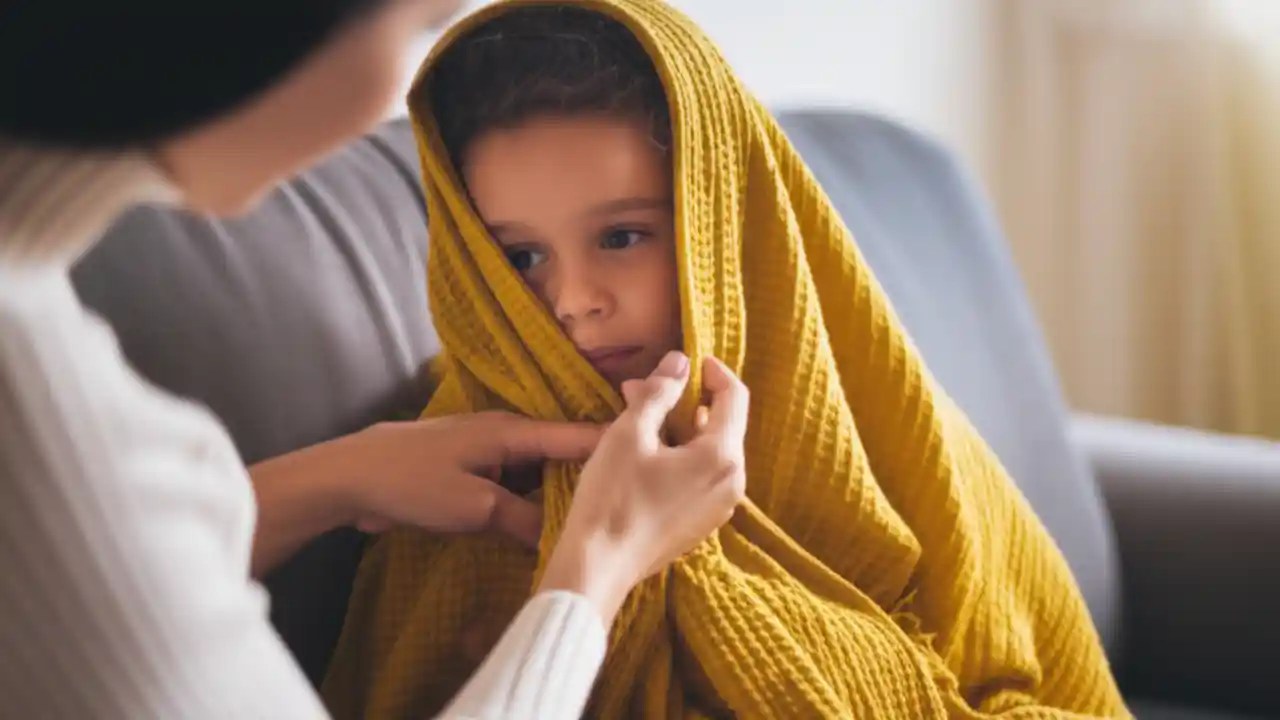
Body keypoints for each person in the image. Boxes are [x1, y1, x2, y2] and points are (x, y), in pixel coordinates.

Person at [323, 2, 1131, 718]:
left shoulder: (889, 415)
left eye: (622, 237)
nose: (573, 300)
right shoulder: (466, 485)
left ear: (721, 225)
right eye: (522, 257)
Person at [0, 2, 746, 718]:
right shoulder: (30, 395)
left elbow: (92, 575)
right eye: (420, 23)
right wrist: (600, 565)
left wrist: (340, 478)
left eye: (621, 237)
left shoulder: (38, 320)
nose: (388, 103)